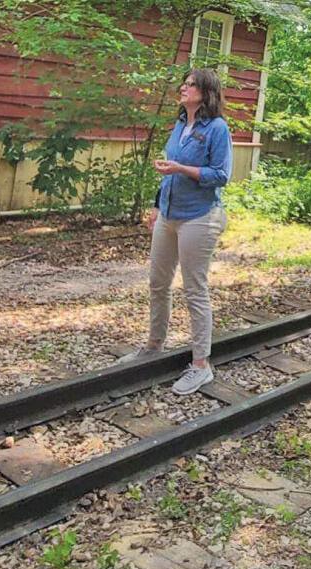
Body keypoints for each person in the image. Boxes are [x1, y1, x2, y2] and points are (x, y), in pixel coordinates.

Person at [121, 68, 231, 396]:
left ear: (206, 91)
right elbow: (170, 170)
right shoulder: (181, 124)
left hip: (200, 216)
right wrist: (157, 205)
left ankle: (201, 365)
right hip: (168, 214)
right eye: (183, 83)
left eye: (191, 84)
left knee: (194, 288)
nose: (183, 88)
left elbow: (221, 175)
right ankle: (154, 346)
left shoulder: (217, 128)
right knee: (158, 281)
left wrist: (182, 169)